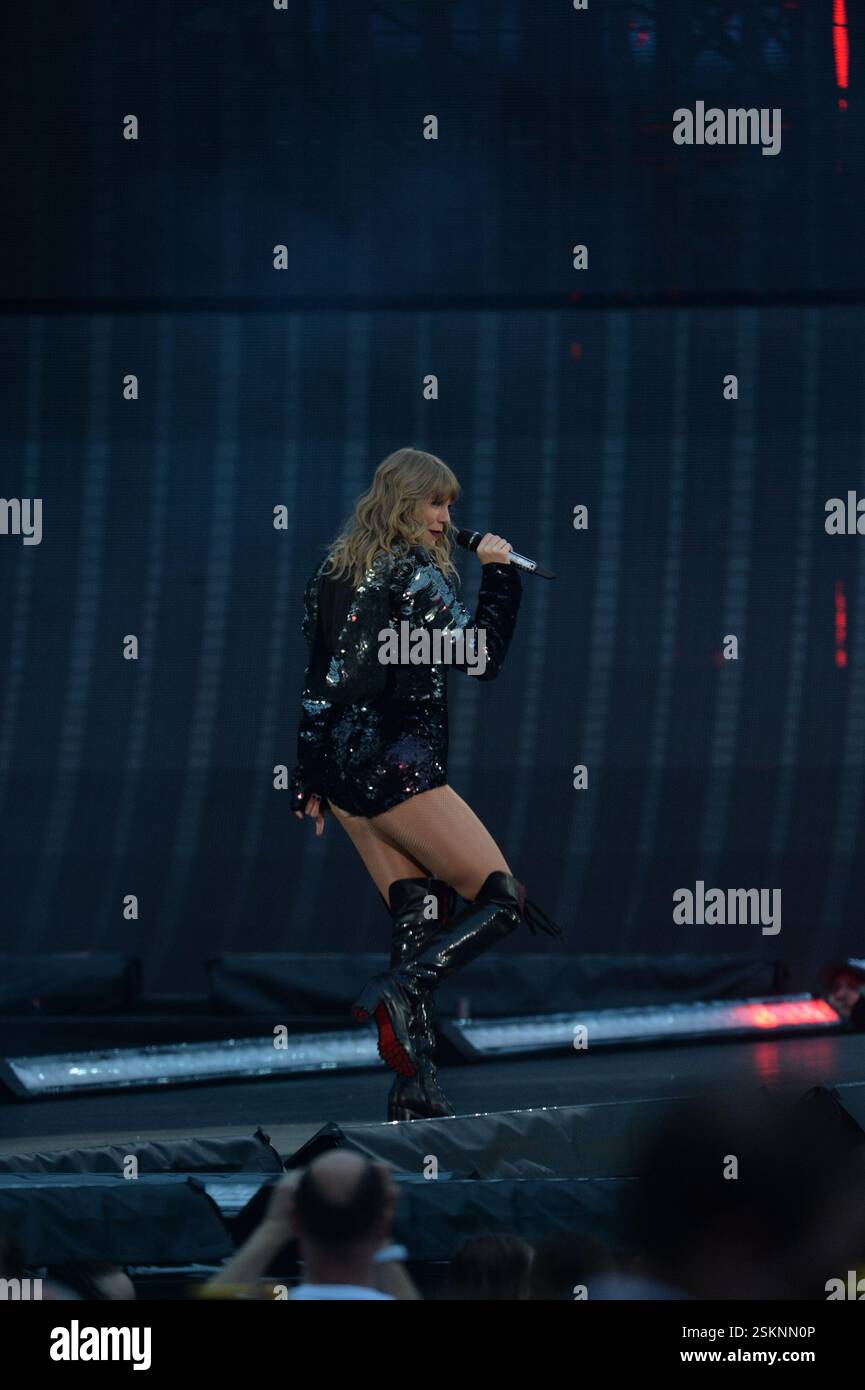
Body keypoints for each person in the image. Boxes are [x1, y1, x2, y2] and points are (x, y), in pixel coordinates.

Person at [291, 447, 561, 1121]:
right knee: (503, 899)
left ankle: (414, 1088)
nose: (445, 519)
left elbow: (320, 678)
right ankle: (400, 988)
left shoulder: (334, 568)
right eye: (435, 503)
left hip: (343, 771)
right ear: (402, 502)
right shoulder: (409, 572)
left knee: (417, 913)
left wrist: (309, 776)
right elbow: (480, 658)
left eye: (450, 505)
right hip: (397, 765)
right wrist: (499, 576)